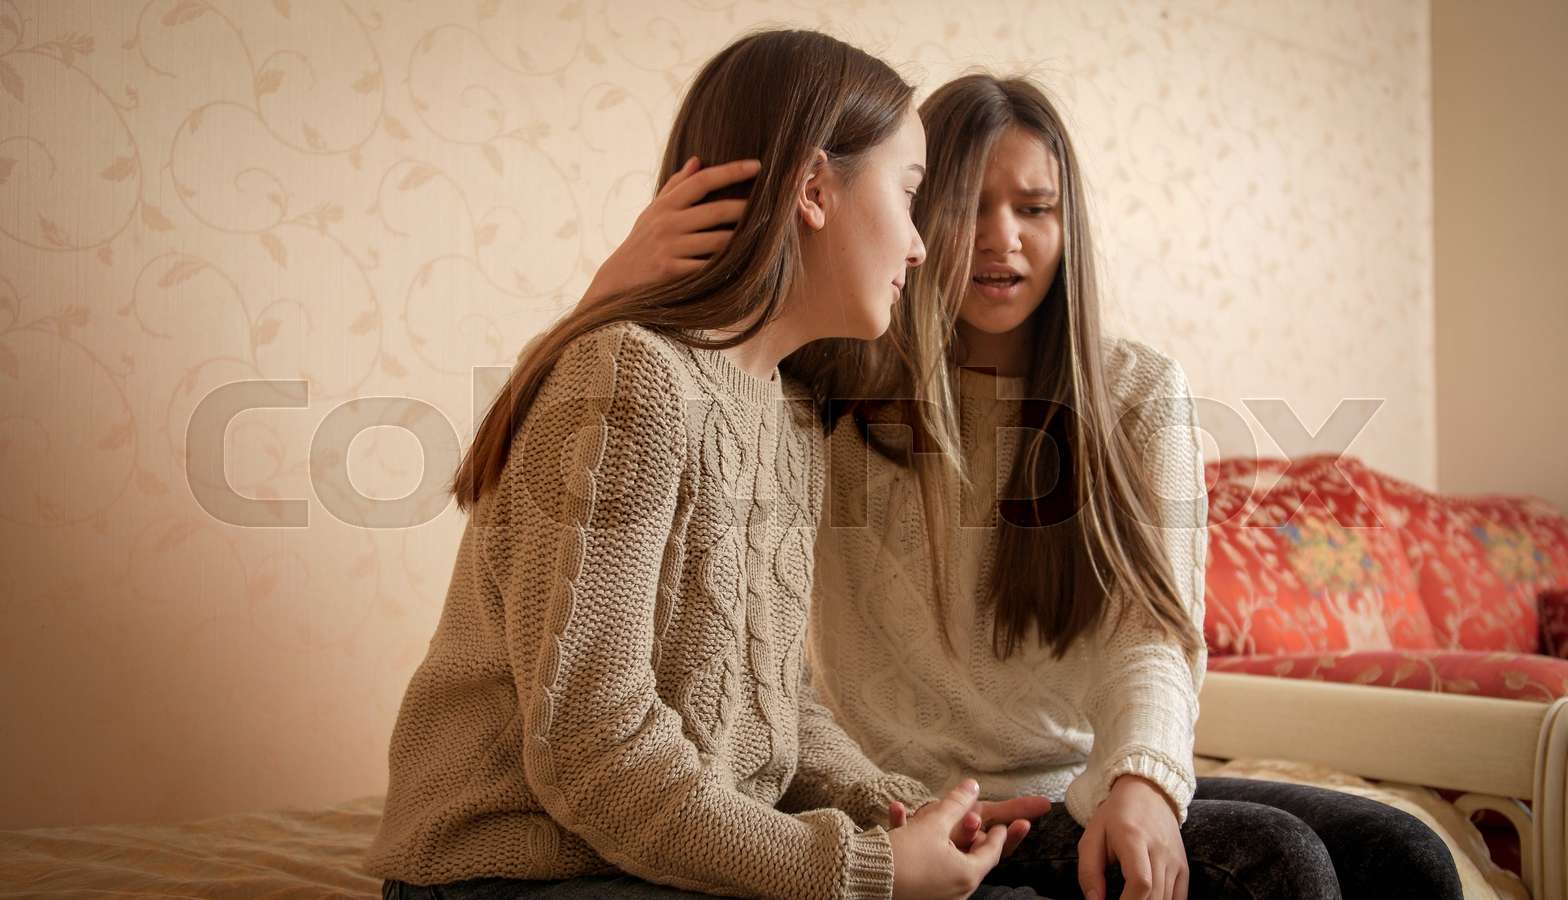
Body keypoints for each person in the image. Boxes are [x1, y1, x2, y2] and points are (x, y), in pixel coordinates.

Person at [591, 71, 1465, 900]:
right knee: (1277, 862)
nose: (1002, 237)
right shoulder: (830, 388)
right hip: (902, 798)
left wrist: (1143, 782)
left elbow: (1150, 634)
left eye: (1034, 208)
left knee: (1405, 854)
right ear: (915, 216)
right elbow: (661, 394)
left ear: (1066, 222)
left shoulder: (1137, 392)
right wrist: (616, 289)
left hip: (1073, 785)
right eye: (966, 206)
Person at [366, 31, 1046, 900]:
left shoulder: (789, 416)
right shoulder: (631, 377)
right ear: (811, 189)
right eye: (910, 195)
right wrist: (863, 868)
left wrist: (901, 813)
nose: (920, 247)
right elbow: (592, 749)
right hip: (513, 870)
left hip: (651, 858)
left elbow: (775, 705)